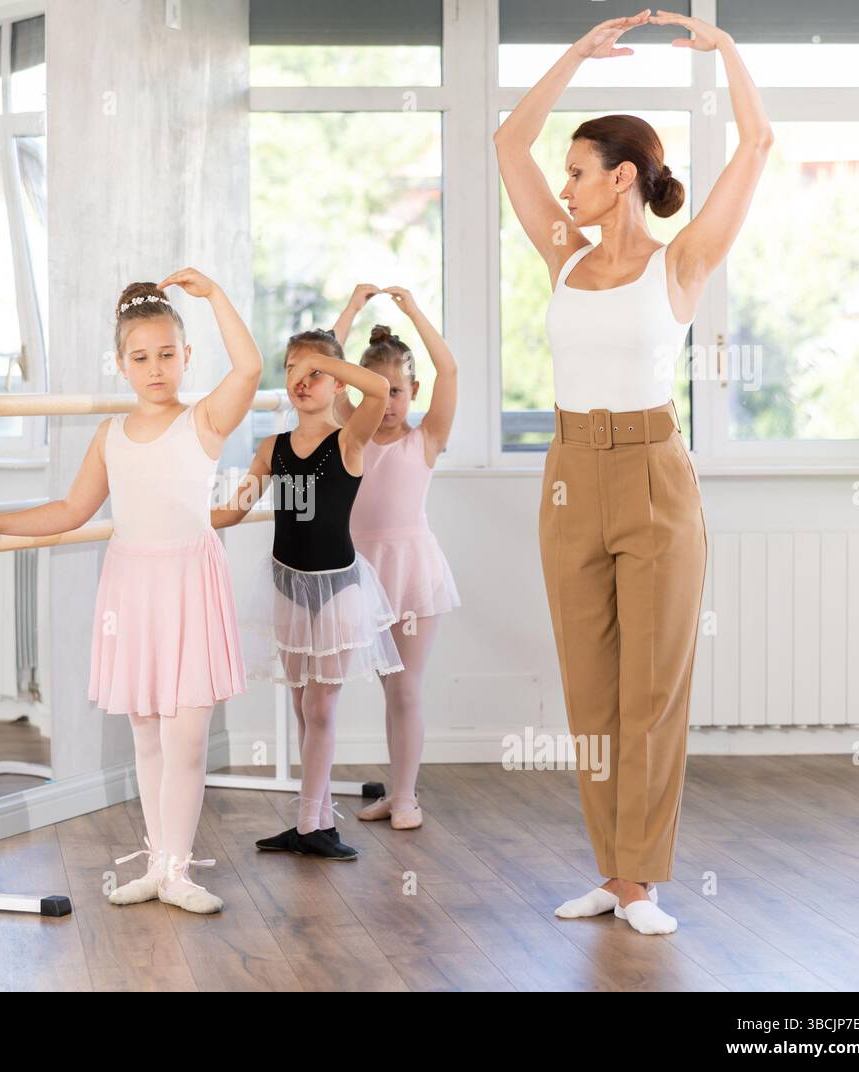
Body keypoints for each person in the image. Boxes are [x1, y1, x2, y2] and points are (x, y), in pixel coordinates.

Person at [494, 8, 771, 934]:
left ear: (621, 181)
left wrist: (727, 54)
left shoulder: (681, 263)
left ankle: (644, 882)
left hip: (655, 474)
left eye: (579, 173)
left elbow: (759, 141)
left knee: (652, 687)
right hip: (570, 474)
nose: (564, 186)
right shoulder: (562, 257)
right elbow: (508, 139)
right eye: (565, 172)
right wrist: (577, 54)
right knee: (591, 688)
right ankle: (612, 874)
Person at [0, 269, 262, 914]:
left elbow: (251, 367)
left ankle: (178, 870)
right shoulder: (110, 436)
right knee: (146, 735)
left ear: (187, 357)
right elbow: (70, 509)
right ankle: (158, 866)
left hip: (186, 584)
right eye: (141, 358)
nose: (155, 369)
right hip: (132, 586)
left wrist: (214, 297)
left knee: (185, 738)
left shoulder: (203, 421)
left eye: (167, 355)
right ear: (122, 364)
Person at [215, 328, 402, 860]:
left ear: (337, 380)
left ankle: (308, 824)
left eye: (316, 371)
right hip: (287, 583)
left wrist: (325, 362)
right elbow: (232, 510)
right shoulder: (271, 447)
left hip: (339, 587)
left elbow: (379, 390)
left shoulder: (348, 439)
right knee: (302, 704)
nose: (301, 380)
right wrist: (183, 520)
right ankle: (315, 819)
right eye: (293, 369)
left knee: (322, 706)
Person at [330, 285, 461, 830]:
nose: (386, 405)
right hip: (360, 570)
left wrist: (412, 311)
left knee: (405, 687)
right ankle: (396, 789)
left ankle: (406, 796)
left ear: (415, 391)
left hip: (412, 574)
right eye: (375, 394)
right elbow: (324, 366)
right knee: (384, 687)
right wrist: (353, 311)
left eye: (398, 393)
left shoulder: (427, 437)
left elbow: (449, 370)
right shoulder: (351, 435)